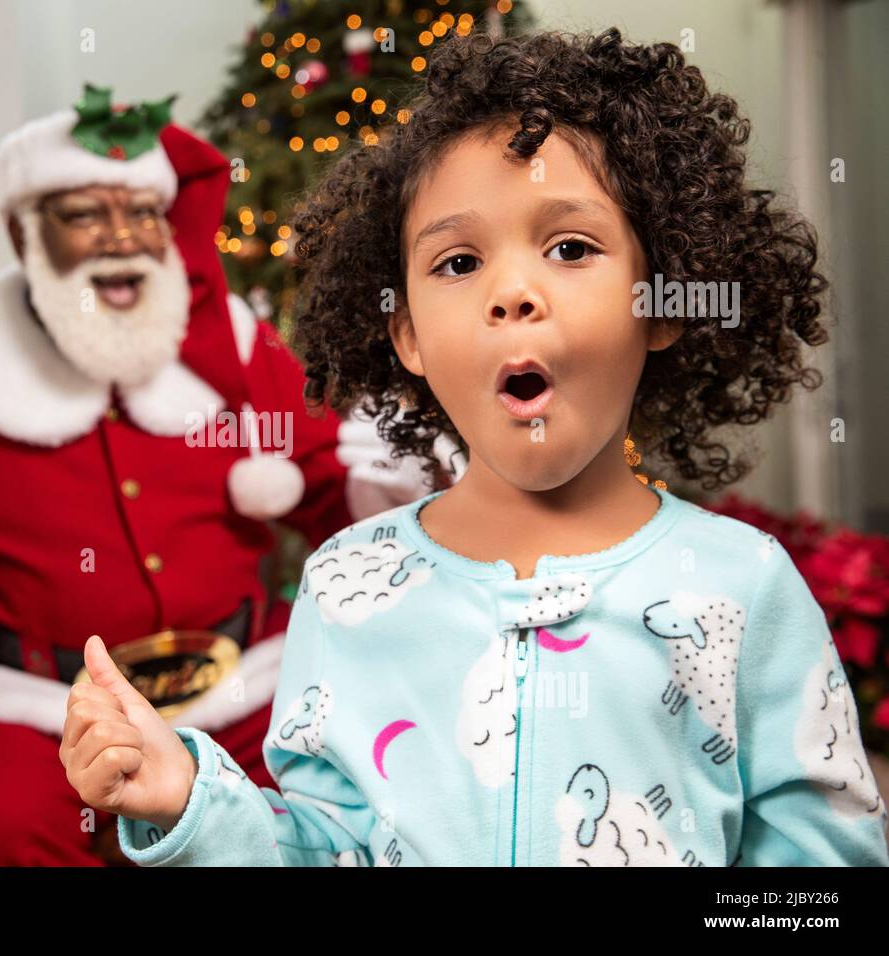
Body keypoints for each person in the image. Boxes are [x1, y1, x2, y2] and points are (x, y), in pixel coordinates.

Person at [61, 30, 889, 866]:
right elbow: (318, 849)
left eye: (571, 248)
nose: (511, 295)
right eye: (458, 262)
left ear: (661, 300)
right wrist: (188, 798)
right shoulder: (347, 587)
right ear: (408, 334)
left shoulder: (742, 587)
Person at [0, 85, 441, 866]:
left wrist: (394, 474)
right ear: (22, 231)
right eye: (84, 214)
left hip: (241, 683)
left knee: (350, 806)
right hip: (26, 706)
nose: (124, 237)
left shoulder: (235, 347)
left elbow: (333, 505)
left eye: (143, 212)